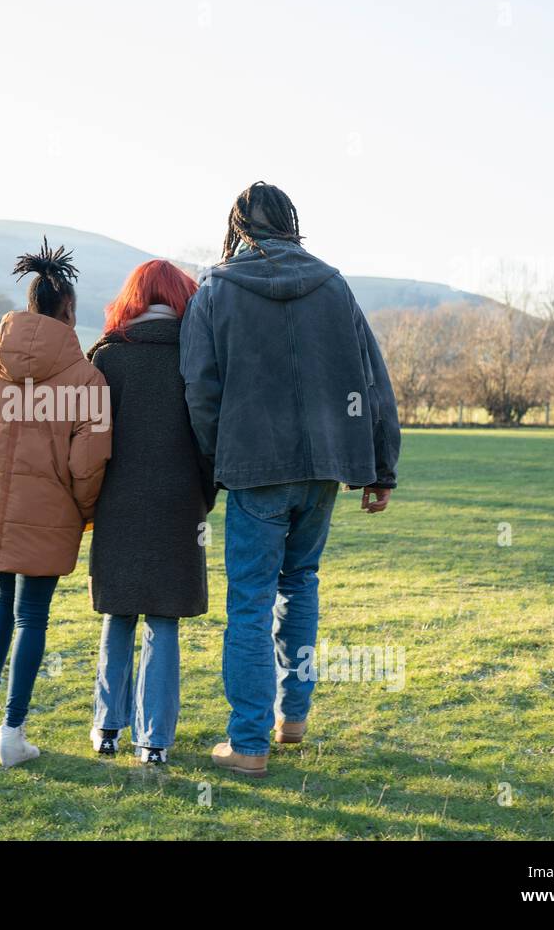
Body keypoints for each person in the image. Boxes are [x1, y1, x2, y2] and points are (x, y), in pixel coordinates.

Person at [180, 182, 401, 778]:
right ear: (290, 223)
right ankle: (292, 720)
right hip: (327, 467)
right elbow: (372, 381)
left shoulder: (215, 289)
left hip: (255, 469)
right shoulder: (334, 286)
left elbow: (200, 391)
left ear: (238, 225)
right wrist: (382, 468)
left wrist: (215, 458)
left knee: (249, 602)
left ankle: (249, 743)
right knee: (300, 583)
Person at [0, 237, 113, 768]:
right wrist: (84, 512)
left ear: (28, 304)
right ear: (68, 308)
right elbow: (89, 463)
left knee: (1, 601)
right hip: (50, 513)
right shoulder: (87, 377)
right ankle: (13, 732)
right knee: (32, 618)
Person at [84, 260, 216, 766]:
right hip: (179, 504)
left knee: (118, 613)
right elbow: (209, 438)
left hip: (117, 501)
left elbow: (87, 442)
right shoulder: (196, 357)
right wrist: (203, 494)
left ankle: (106, 728)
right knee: (163, 618)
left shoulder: (107, 359)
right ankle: (154, 740)